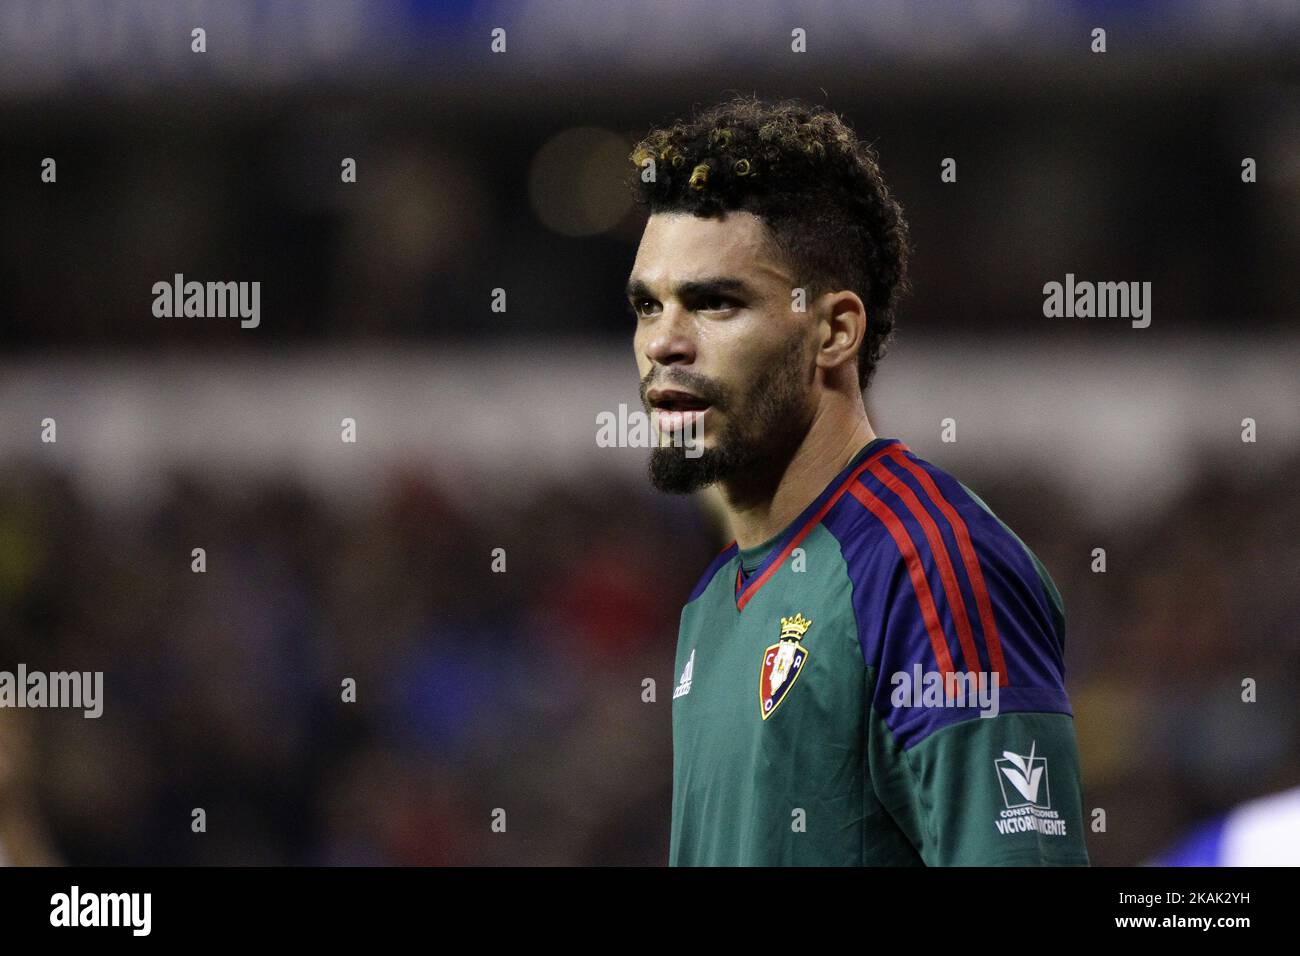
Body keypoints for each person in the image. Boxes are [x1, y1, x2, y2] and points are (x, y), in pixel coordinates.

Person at [625, 95, 1088, 865]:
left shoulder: (927, 563)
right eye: (648, 306)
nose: (664, 343)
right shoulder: (713, 603)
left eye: (715, 303)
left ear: (834, 330)